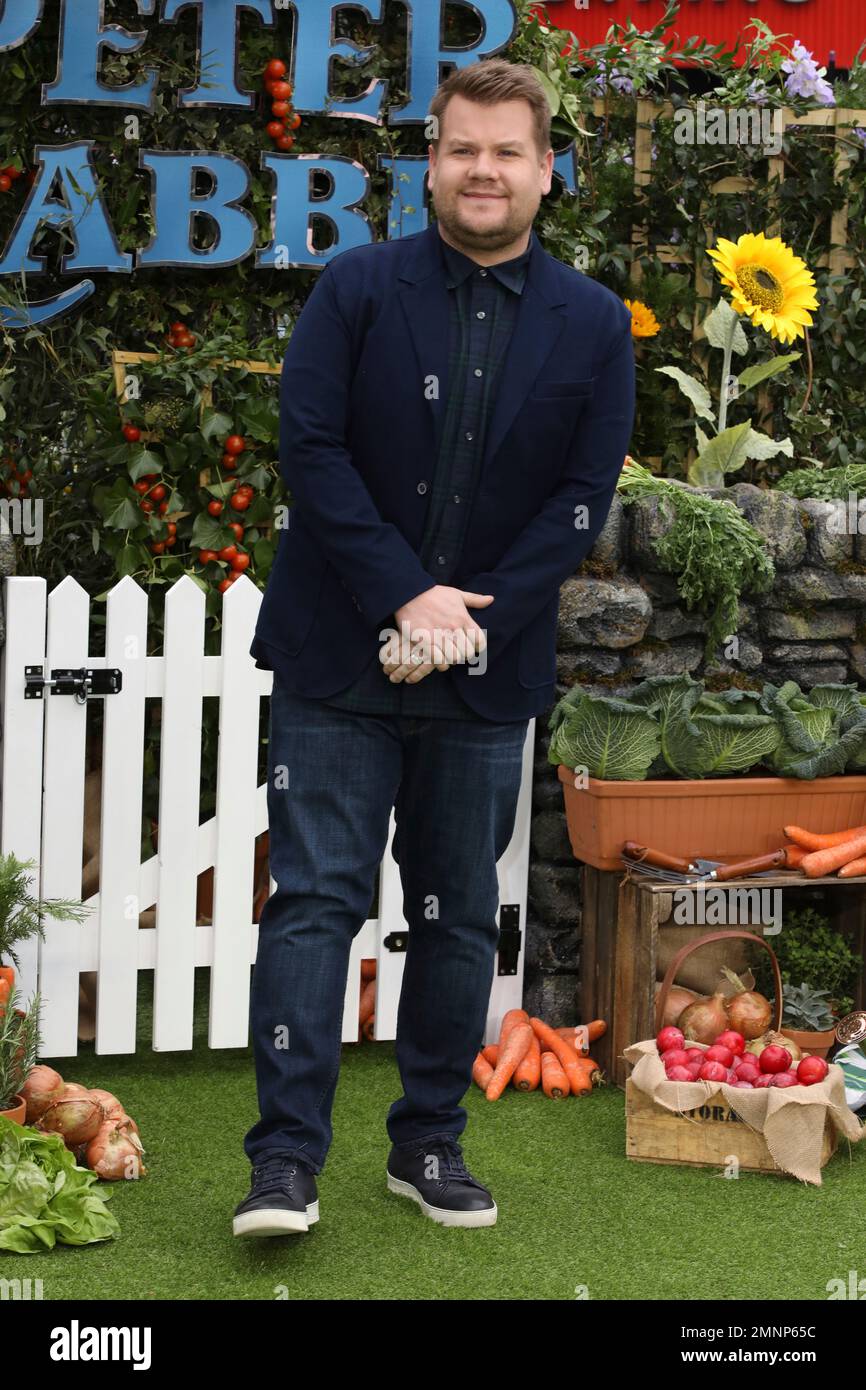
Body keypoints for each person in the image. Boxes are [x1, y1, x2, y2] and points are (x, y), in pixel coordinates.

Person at [233, 57, 635, 1237]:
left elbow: (578, 496)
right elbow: (310, 449)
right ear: (430, 163)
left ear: (543, 172)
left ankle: (428, 1149)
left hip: (483, 670)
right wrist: (409, 595)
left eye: (506, 151)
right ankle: (283, 1165)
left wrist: (472, 616)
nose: (482, 170)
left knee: (459, 912)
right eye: (462, 148)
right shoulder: (354, 289)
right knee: (312, 903)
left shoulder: (593, 323)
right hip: (334, 658)